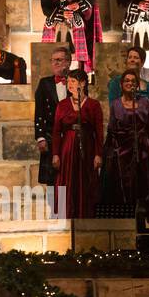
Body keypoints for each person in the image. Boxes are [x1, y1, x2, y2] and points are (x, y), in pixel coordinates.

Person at [101, 70, 149, 206]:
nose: (130, 83)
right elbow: (111, 128)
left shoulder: (145, 102)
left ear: (137, 85)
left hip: (142, 149)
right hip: (122, 151)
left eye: (133, 81)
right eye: (127, 81)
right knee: (123, 185)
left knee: (142, 182)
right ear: (121, 85)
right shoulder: (115, 104)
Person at [51, 69, 103, 219]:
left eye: (73, 81)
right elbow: (56, 131)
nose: (70, 85)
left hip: (87, 147)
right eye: (68, 82)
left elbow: (99, 132)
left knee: (85, 181)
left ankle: (85, 216)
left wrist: (98, 154)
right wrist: (55, 153)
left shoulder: (93, 105)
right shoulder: (62, 105)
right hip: (67, 147)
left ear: (83, 83)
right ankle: (64, 216)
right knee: (66, 182)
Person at [39, 0, 102, 73]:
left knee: (75, 46)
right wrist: (62, 13)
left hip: (75, 21)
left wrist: (78, 5)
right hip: (56, 22)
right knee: (56, 48)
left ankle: (78, 70)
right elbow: (45, 8)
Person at [34, 47, 71, 191]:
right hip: (49, 136)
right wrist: (40, 137)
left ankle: (68, 210)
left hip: (70, 137)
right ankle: (55, 212)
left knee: (68, 176)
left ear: (68, 62)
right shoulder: (45, 84)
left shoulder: (76, 82)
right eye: (53, 60)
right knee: (51, 179)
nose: (55, 63)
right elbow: (39, 112)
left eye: (59, 60)